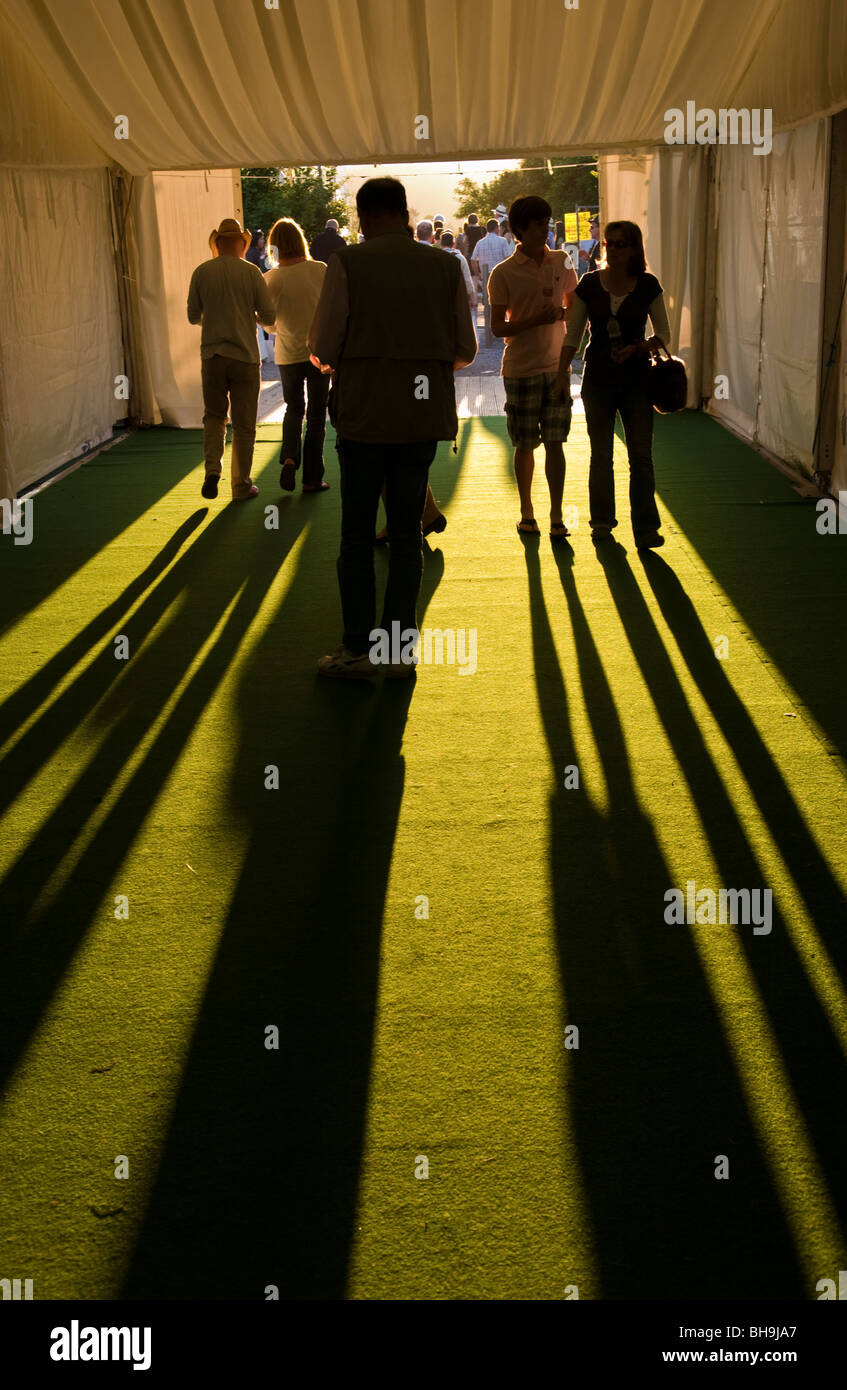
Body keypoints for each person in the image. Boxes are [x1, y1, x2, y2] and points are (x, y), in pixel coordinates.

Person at [308, 176, 477, 679]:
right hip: (421, 417)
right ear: (404, 214)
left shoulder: (348, 264)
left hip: (362, 414)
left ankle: (356, 650)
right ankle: (397, 651)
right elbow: (465, 349)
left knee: (356, 534)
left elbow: (322, 345)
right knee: (406, 535)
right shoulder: (444, 266)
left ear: (362, 217)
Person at [555, 219, 670, 549]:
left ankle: (646, 528)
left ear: (635, 247)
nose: (614, 249)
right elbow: (573, 335)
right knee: (601, 454)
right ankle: (602, 523)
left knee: (641, 457)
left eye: (621, 243)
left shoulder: (648, 285)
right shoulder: (589, 285)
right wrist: (562, 375)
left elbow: (664, 334)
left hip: (637, 380)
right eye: (609, 243)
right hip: (598, 381)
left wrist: (639, 347)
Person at [488, 194, 577, 539]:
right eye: (539, 223)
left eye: (547, 222)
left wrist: (562, 316)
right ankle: (527, 511)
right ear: (519, 230)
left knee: (556, 442)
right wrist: (534, 320)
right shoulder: (503, 273)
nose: (546, 228)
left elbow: (574, 307)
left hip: (557, 367)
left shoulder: (562, 261)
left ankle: (556, 515)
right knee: (525, 444)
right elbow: (497, 327)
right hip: (520, 369)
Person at [187, 217, 275, 501]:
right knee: (244, 424)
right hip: (245, 357)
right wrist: (250, 318)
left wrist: (214, 320)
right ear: (240, 243)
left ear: (217, 243)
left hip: (212, 355)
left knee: (213, 417)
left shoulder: (201, 272)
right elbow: (270, 317)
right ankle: (240, 486)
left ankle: (213, 469)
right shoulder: (252, 273)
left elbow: (192, 316)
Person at [265, 217, 330, 494]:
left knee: (293, 408)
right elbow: (331, 309)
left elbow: (267, 322)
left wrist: (276, 327)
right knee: (316, 415)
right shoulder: (320, 270)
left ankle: (290, 457)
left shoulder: (271, 278)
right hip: (318, 352)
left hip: (287, 352)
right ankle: (312, 479)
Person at [472, 218, 512, 345]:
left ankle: (489, 331)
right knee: (503, 301)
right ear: (496, 227)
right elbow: (507, 258)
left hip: (486, 276)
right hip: (500, 276)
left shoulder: (480, 242)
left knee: (487, 303)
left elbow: (473, 260)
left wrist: (478, 274)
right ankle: (501, 329)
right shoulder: (502, 241)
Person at [246, 230, 275, 362]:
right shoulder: (257, 255)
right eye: (262, 239)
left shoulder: (250, 253)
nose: (263, 241)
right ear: (256, 240)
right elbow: (265, 270)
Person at [440, 229, 476, 319]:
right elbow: (467, 279)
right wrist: (472, 298)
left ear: (441, 243)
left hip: (441, 294)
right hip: (458, 295)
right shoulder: (460, 258)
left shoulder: (436, 256)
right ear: (453, 244)